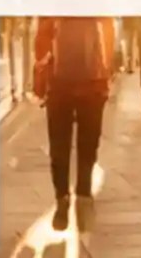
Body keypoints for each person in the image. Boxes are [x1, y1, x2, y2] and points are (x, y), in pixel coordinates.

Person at [34, 16, 115, 232]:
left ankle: (62, 198)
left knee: (59, 146)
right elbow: (109, 35)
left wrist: (41, 72)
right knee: (88, 144)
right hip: (93, 84)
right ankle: (83, 194)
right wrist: (108, 73)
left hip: (59, 85)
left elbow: (41, 38)